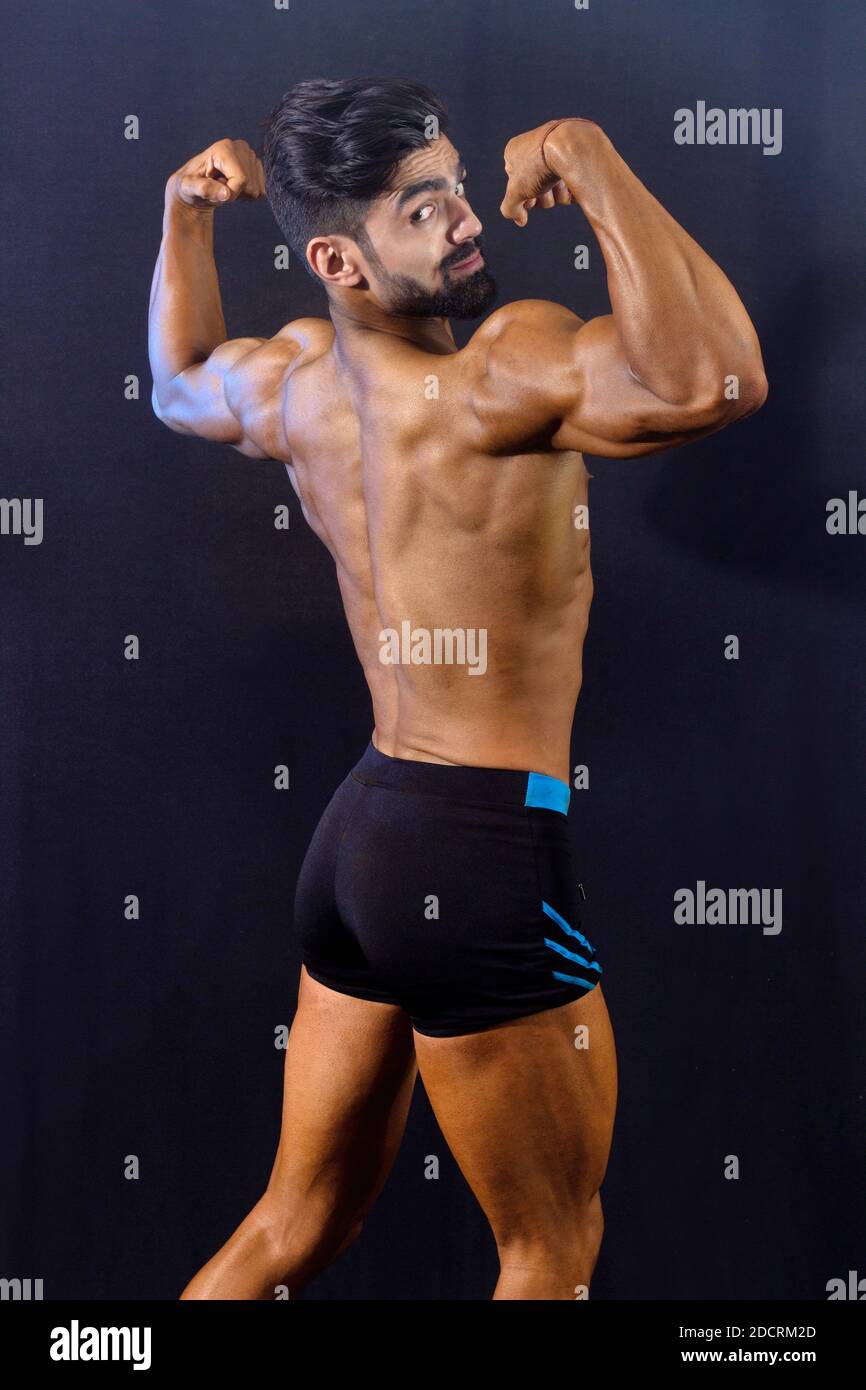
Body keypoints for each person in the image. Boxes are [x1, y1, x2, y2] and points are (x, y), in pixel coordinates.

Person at [148, 77, 767, 1300]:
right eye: (421, 209)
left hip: (365, 838)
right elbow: (713, 382)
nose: (465, 217)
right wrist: (589, 158)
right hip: (476, 854)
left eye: (453, 187)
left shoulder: (294, 381)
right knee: (549, 1250)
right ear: (339, 255)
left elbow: (172, 381)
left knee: (293, 1222)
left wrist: (182, 214)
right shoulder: (503, 371)